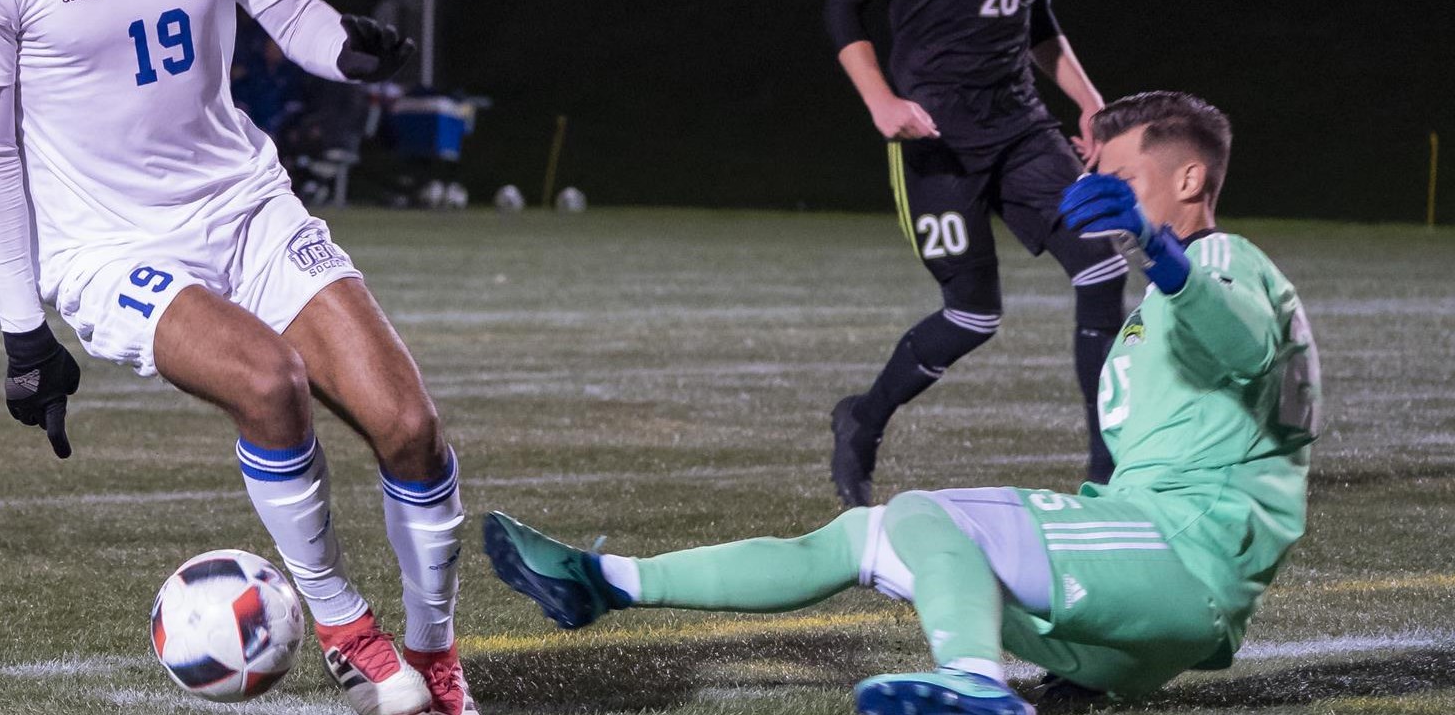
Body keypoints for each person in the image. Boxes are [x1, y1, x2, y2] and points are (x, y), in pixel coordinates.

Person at [0, 0, 474, 715]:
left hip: (248, 205)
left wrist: (346, 51)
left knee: (409, 428)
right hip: (108, 244)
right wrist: (25, 331)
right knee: (270, 384)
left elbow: (294, 14)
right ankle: (345, 625)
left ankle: (435, 650)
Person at [486, 91, 1319, 715]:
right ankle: (607, 581)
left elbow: (1247, 342)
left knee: (937, 518)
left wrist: (1165, 253)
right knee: (865, 534)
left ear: (1189, 177)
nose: (1095, 184)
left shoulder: (1222, 260)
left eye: (1119, 174)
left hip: (1179, 559)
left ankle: (973, 683)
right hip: (1138, 597)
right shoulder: (1173, 290)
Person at [823, 0, 1125, 505]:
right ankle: (863, 418)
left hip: (1021, 126)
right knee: (973, 314)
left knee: (1103, 268)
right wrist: (881, 101)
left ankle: (1109, 470)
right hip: (935, 138)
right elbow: (840, 3)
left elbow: (1037, 17)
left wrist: (1088, 102)